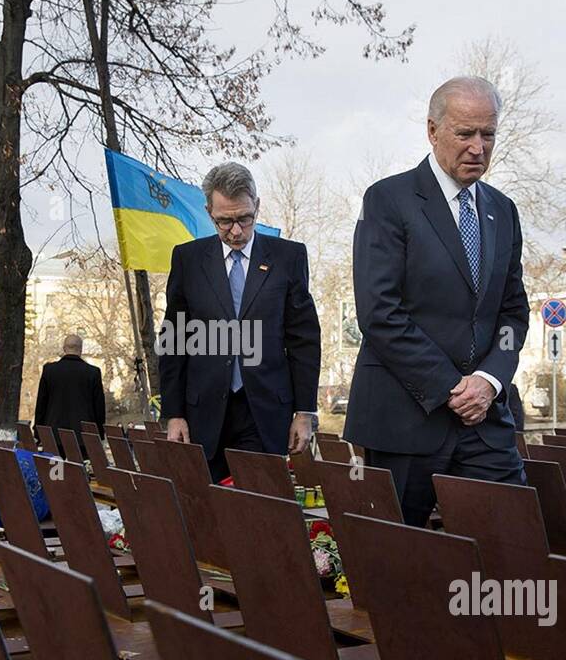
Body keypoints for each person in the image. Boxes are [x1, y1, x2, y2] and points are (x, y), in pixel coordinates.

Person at [343, 76, 529, 527]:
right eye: (465, 133)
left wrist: (487, 381)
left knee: (514, 546)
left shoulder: (502, 210)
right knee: (399, 565)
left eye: (488, 134)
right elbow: (380, 313)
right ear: (432, 130)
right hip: (404, 419)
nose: (478, 148)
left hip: (484, 422)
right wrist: (451, 387)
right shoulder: (388, 200)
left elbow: (512, 314)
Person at [160, 161, 321, 482]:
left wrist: (305, 413)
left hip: (264, 412)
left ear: (257, 207)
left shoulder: (288, 258)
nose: (235, 231)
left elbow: (303, 340)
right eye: (224, 221)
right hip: (203, 414)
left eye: (244, 219)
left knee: (260, 515)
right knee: (209, 515)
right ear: (209, 212)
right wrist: (173, 414)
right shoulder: (188, 260)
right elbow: (174, 340)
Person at [34, 335, 107, 449]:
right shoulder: (93, 372)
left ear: (64, 348)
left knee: (56, 467)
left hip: (54, 436)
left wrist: (38, 433)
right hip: (84, 437)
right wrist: (100, 433)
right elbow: (99, 407)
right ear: (81, 349)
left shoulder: (49, 370)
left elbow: (41, 405)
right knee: (81, 466)